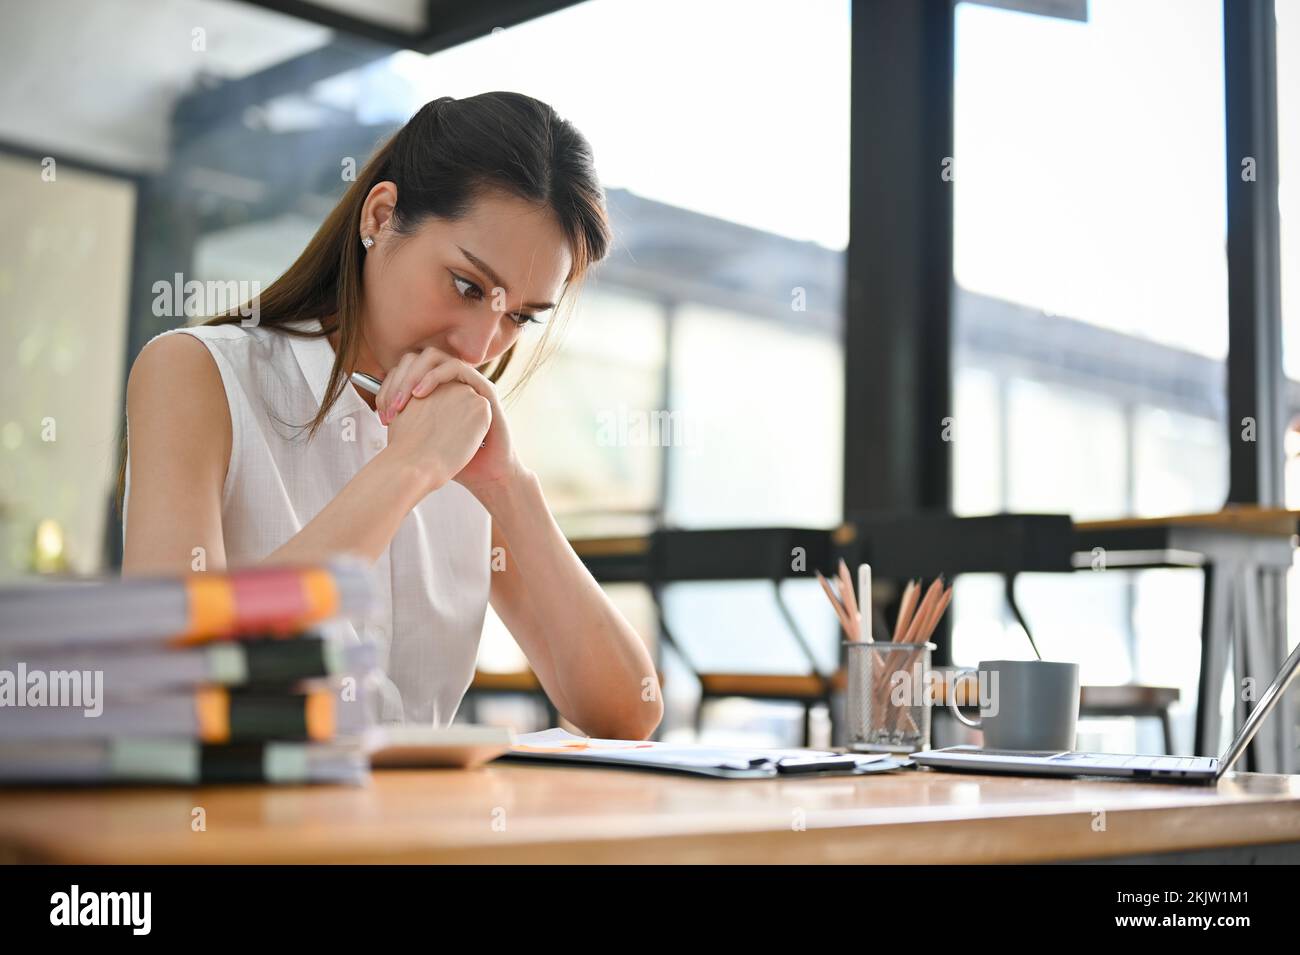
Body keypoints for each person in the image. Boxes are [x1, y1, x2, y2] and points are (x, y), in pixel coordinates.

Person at [121, 92, 662, 739]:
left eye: (519, 315)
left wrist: (510, 488)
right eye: (466, 285)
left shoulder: (468, 448)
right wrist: (407, 468)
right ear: (380, 216)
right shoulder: (196, 374)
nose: (479, 346)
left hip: (417, 834)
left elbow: (629, 712)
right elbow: (167, 673)